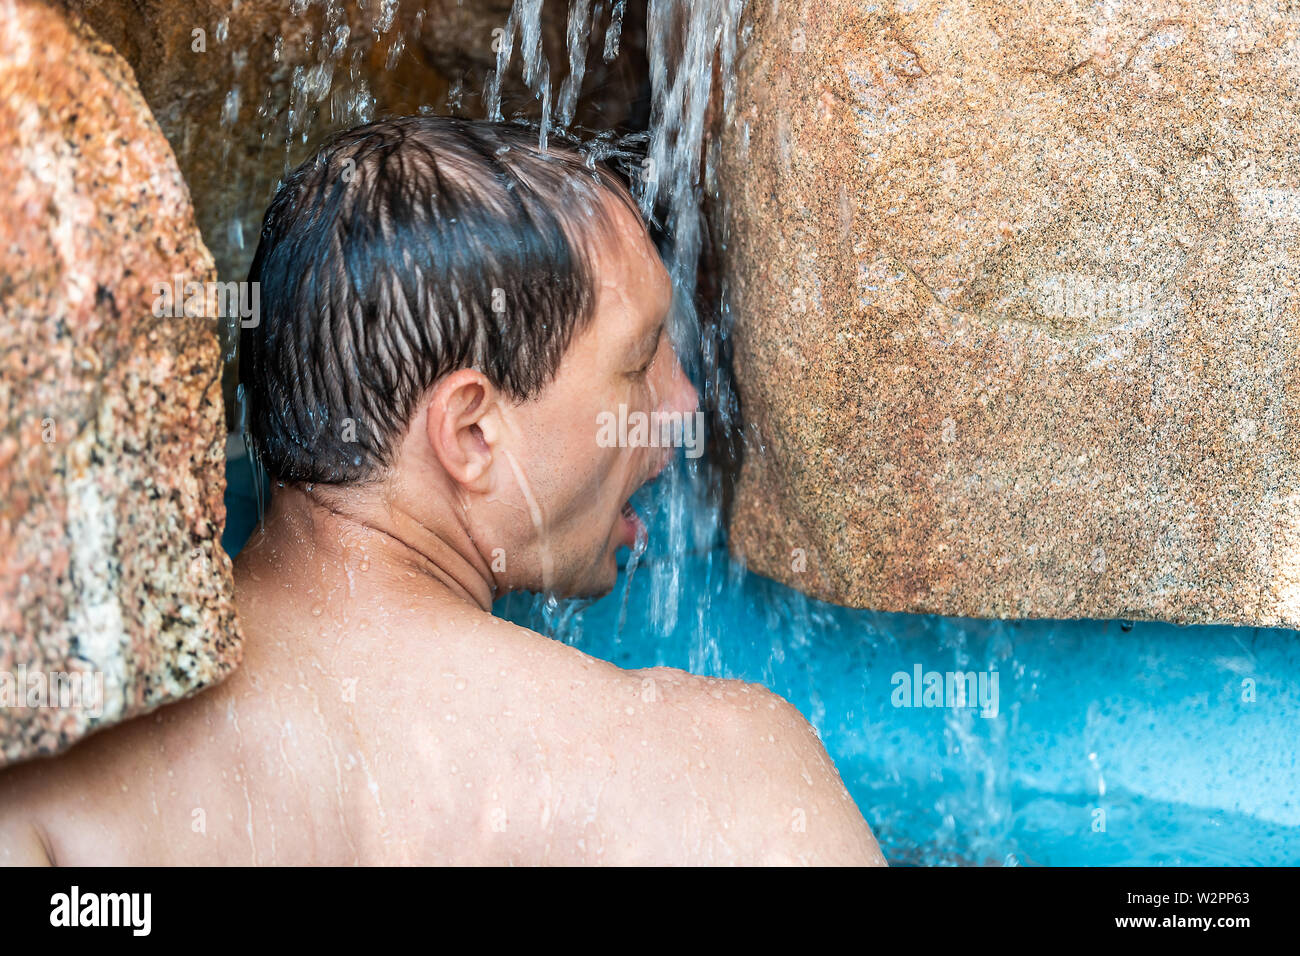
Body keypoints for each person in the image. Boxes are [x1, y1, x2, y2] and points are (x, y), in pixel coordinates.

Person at [0, 116, 885, 865]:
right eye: (639, 362)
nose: (686, 405)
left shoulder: (51, 784)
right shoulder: (729, 780)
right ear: (469, 433)